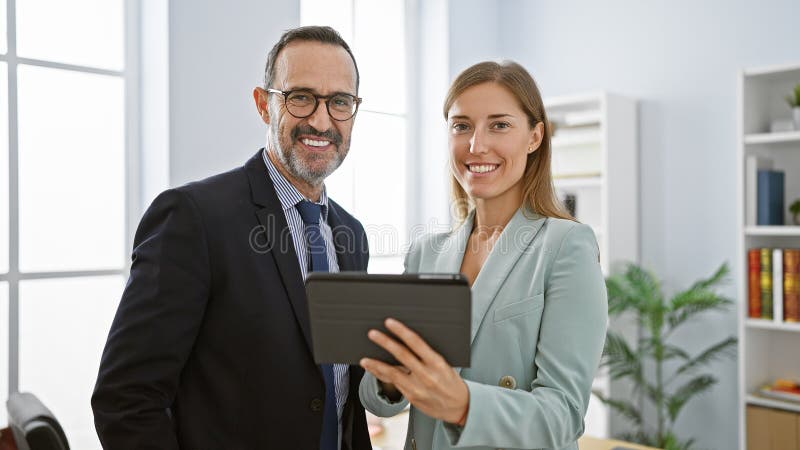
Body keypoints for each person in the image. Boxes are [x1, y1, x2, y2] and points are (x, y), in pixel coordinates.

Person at [92, 26, 372, 450]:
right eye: (300, 97)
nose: (321, 119)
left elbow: (338, 396)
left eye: (339, 102)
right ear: (264, 105)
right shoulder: (193, 218)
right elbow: (126, 399)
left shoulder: (351, 235)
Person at [358, 60, 608, 450]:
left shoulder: (566, 246)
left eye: (500, 125)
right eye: (461, 126)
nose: (476, 145)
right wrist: (392, 376)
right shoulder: (426, 253)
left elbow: (563, 416)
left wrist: (464, 405)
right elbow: (382, 401)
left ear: (534, 137)